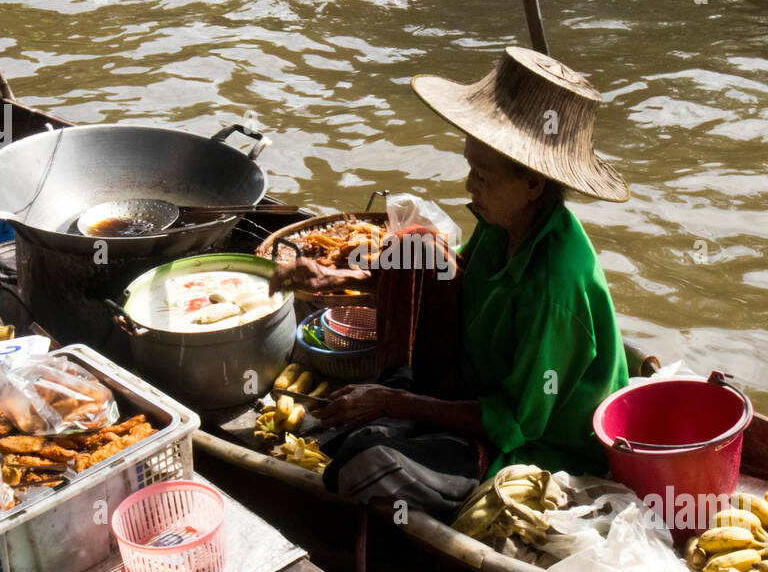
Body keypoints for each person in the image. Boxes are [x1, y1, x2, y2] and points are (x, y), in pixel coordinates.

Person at [270, 46, 630, 519]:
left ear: (533, 185)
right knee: (415, 244)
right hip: (466, 381)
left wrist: (395, 404)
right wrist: (337, 274)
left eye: (481, 176)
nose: (468, 187)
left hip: (528, 440)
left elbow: (514, 421)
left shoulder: (554, 289)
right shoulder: (505, 222)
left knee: (366, 464)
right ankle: (399, 394)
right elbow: (451, 272)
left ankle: (404, 417)